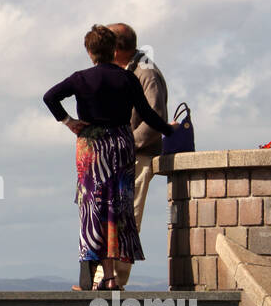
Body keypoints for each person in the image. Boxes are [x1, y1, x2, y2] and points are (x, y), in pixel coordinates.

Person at [43, 25, 174, 291]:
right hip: (122, 146)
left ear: (90, 51)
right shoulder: (127, 79)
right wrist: (170, 130)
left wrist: (69, 121)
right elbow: (148, 115)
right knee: (118, 210)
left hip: (92, 147)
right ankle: (111, 276)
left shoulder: (81, 78)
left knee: (92, 209)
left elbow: (50, 97)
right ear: (113, 50)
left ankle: (89, 276)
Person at [106, 22, 169, 290]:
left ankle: (115, 280)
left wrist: (126, 143)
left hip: (137, 155)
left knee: (128, 217)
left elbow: (155, 119)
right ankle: (104, 279)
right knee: (113, 217)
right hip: (123, 154)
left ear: (118, 49)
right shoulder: (130, 69)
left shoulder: (146, 72)